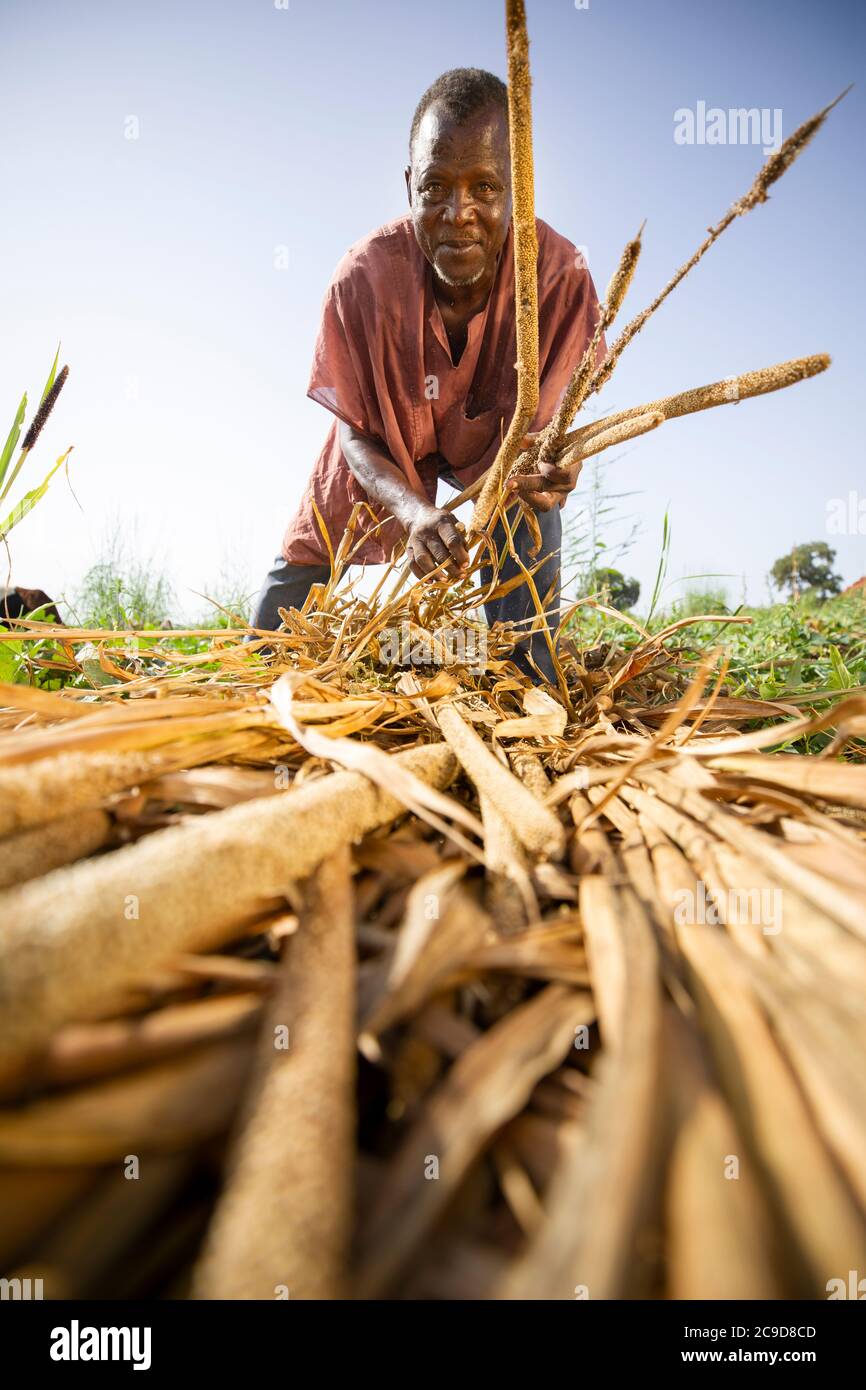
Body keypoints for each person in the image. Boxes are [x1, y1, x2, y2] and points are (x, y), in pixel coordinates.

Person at [252, 67, 604, 681]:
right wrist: (414, 513)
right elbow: (354, 435)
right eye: (436, 186)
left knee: (525, 506)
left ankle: (526, 680)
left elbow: (552, 435)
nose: (458, 212)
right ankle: (255, 670)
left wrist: (556, 465)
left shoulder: (559, 277)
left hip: (501, 447)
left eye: (486, 187)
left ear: (519, 189)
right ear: (409, 184)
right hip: (389, 440)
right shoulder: (364, 279)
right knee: (304, 560)